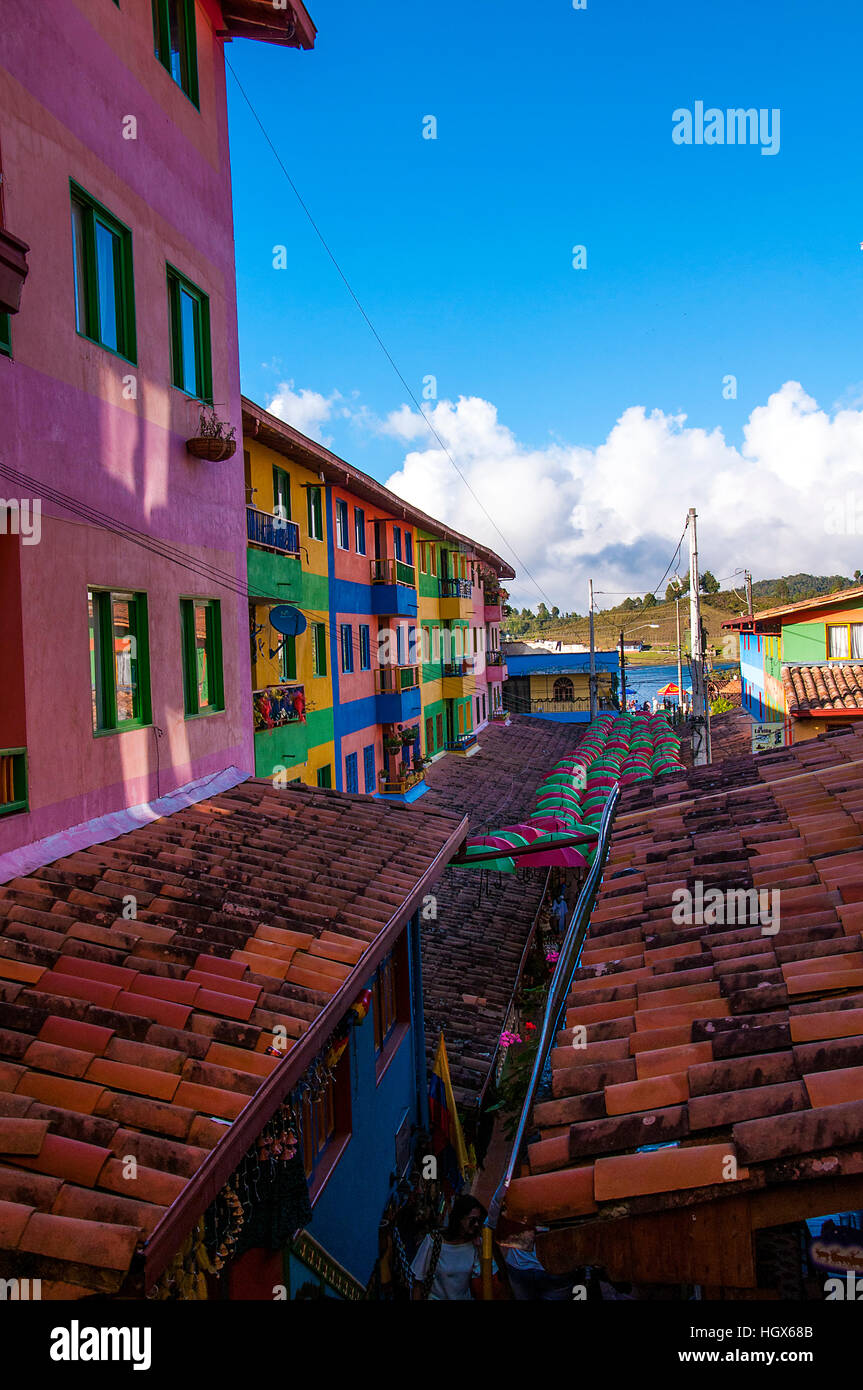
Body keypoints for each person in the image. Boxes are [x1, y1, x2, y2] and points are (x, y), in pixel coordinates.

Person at [410, 1196, 490, 1300]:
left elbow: (483, 1276)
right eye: (472, 1220)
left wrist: (480, 1249)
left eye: (478, 1220)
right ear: (460, 1219)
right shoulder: (433, 1241)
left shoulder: (475, 1244)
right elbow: (418, 1281)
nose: (476, 1224)